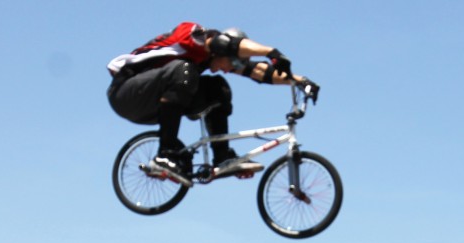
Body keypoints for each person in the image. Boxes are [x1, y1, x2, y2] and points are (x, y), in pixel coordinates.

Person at [107, 22, 319, 186]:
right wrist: (272, 52)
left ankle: (222, 157)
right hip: (126, 92)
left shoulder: (212, 58)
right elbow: (223, 44)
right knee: (185, 70)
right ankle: (165, 154)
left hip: (153, 104)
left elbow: (258, 72)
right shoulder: (195, 35)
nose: (230, 68)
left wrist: (300, 80)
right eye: (233, 62)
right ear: (223, 49)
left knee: (218, 88)